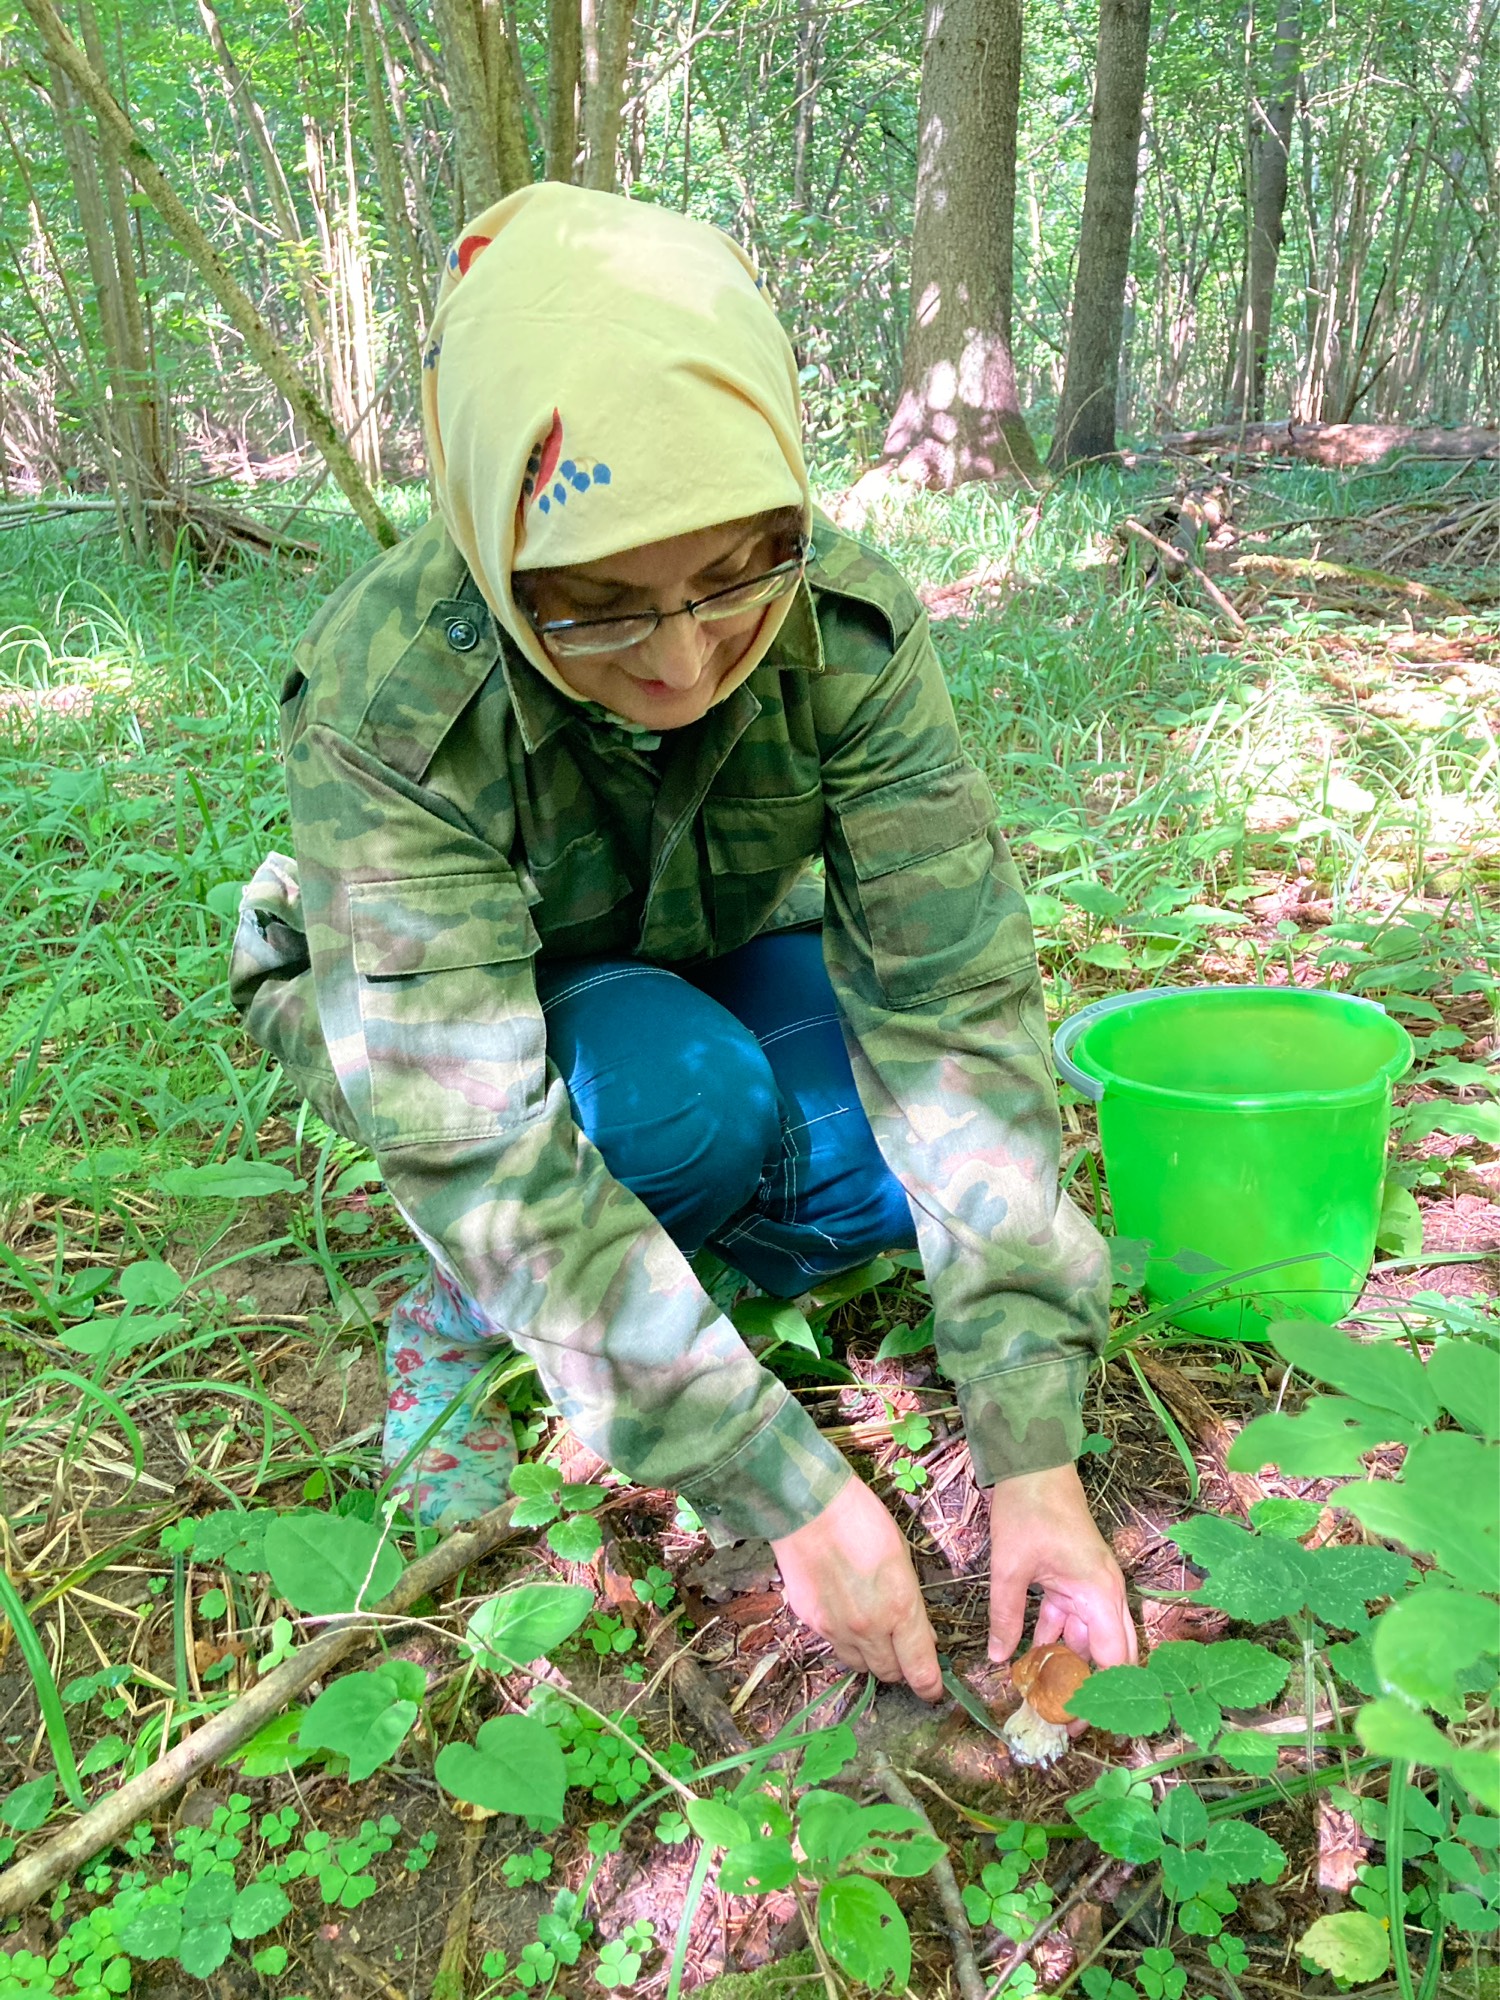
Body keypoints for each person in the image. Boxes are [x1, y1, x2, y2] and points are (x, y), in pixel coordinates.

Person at [231, 182, 1136, 1697]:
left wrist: (1033, 1454)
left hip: (688, 949)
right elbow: (470, 1126)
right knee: (675, 1101)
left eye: (733, 580)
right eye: (596, 611)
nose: (682, 657)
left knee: (874, 1157)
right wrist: (776, 1481)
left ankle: (630, 1287)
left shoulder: (843, 625)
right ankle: (466, 1317)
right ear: (497, 554)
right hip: (457, 1018)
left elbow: (954, 1010)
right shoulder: (395, 697)